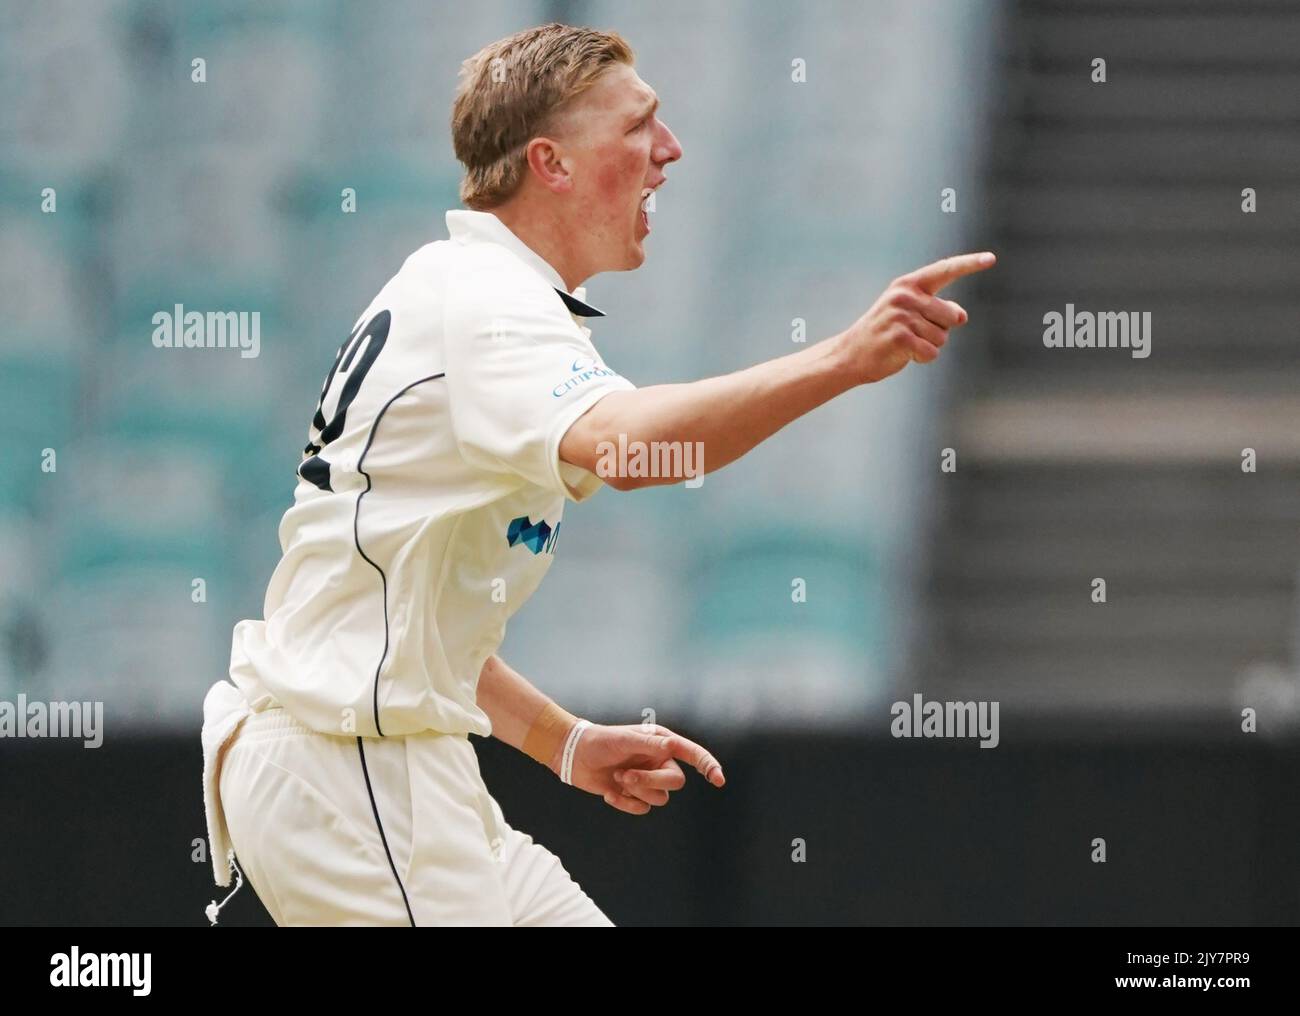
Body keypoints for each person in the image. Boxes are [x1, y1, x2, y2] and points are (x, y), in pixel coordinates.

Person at [200, 21, 993, 927]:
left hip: (392, 767)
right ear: (552, 163)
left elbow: (412, 615)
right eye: (638, 126)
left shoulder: (474, 292)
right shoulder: (488, 305)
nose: (671, 149)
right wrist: (842, 359)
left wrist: (562, 742)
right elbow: (633, 452)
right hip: (352, 767)